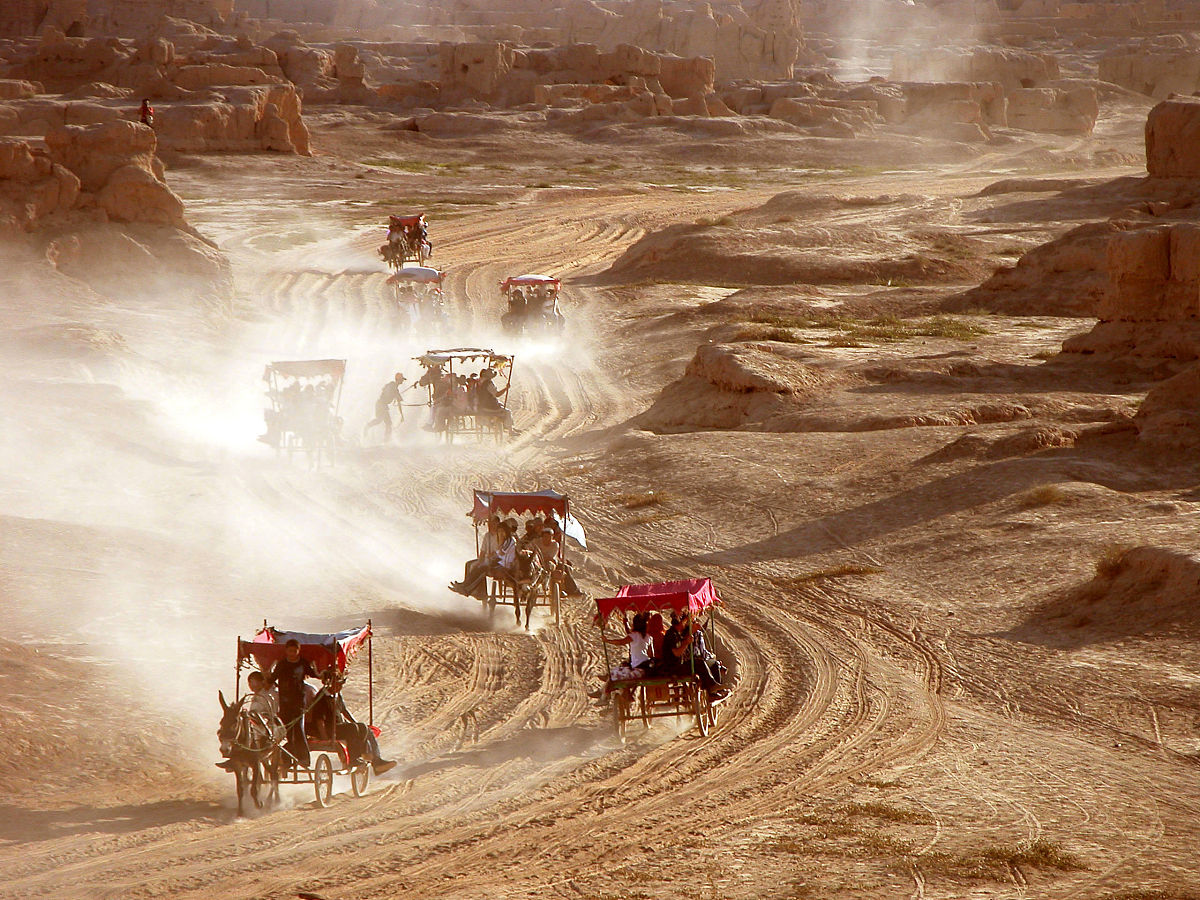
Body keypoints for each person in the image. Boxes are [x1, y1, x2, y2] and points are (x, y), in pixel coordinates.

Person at [320, 670, 396, 776]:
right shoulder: (322, 698)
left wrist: (356, 723)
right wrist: (324, 737)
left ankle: (376, 761)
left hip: (339, 726)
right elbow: (319, 720)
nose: (339, 687)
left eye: (340, 685)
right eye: (337, 684)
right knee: (353, 729)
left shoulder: (337, 695)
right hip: (330, 729)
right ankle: (355, 759)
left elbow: (344, 711)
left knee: (364, 728)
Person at [265, 639, 320, 767]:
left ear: (298, 651)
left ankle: (304, 759)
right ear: (286, 651)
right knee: (289, 733)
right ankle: (289, 759)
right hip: (284, 704)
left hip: (299, 704)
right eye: (290, 651)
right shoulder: (282, 664)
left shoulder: (303, 663)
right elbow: (272, 678)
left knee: (299, 731)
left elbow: (314, 674)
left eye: (294, 651)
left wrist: (322, 674)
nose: (292, 653)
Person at [659, 611, 727, 698]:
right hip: (673, 668)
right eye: (685, 621)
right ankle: (712, 686)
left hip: (678, 665)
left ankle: (714, 688)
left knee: (703, 663)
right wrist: (687, 642)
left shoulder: (676, 633)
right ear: (681, 622)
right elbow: (676, 653)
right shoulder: (671, 635)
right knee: (700, 663)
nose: (686, 624)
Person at [450, 514, 502, 593]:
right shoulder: (487, 535)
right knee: (469, 564)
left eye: (494, 523)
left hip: (496, 561)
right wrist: (480, 561)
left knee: (479, 568)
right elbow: (483, 551)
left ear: (498, 524)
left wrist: (493, 555)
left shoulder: (501, 536)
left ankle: (467, 589)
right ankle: (464, 584)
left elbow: (502, 550)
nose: (492, 525)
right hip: (487, 559)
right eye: (491, 523)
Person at [365, 372, 406, 441]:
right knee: (383, 421)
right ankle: (368, 427)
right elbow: (398, 403)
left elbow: (386, 392)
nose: (403, 381)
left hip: (381, 404)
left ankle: (385, 439)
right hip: (382, 405)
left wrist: (393, 397)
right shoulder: (393, 387)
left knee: (386, 422)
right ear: (398, 379)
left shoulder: (392, 386)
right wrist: (401, 415)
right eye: (402, 379)